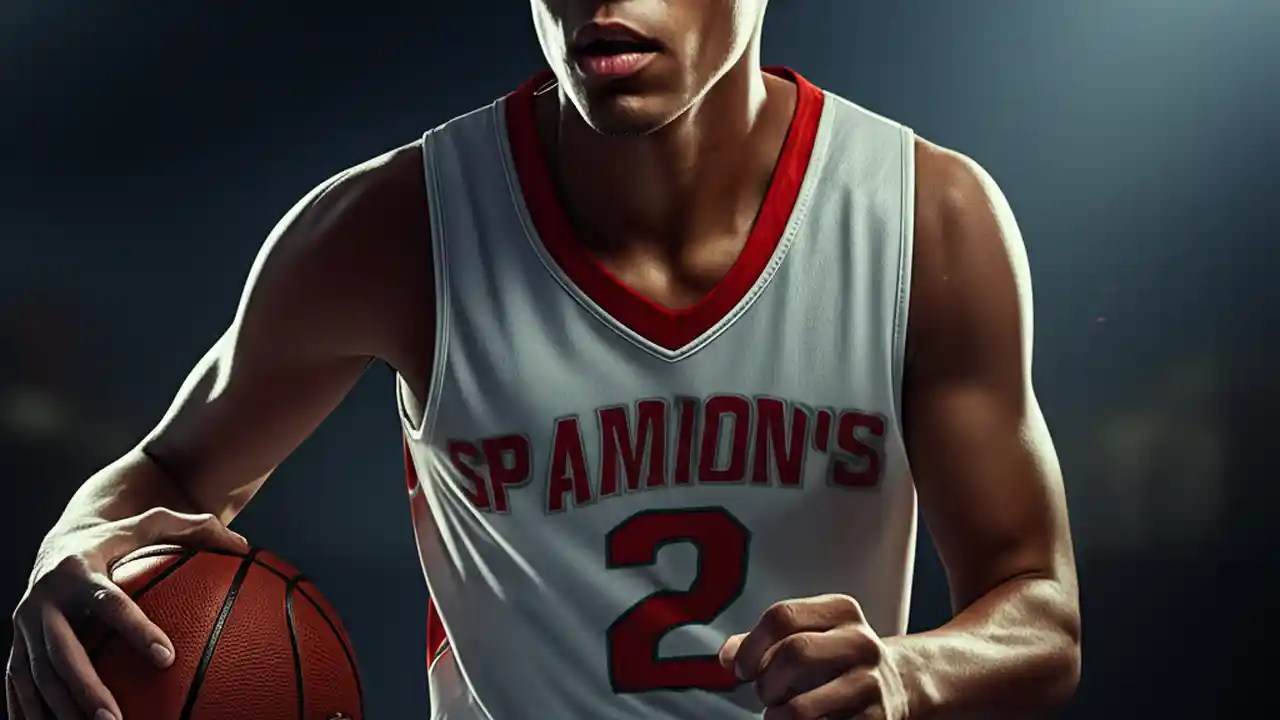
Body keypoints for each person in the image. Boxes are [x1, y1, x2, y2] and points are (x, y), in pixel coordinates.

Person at [7, 2, 1081, 718]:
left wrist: (910, 673)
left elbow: (1037, 607)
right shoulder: (395, 228)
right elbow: (172, 473)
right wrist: (75, 545)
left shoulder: (921, 219)